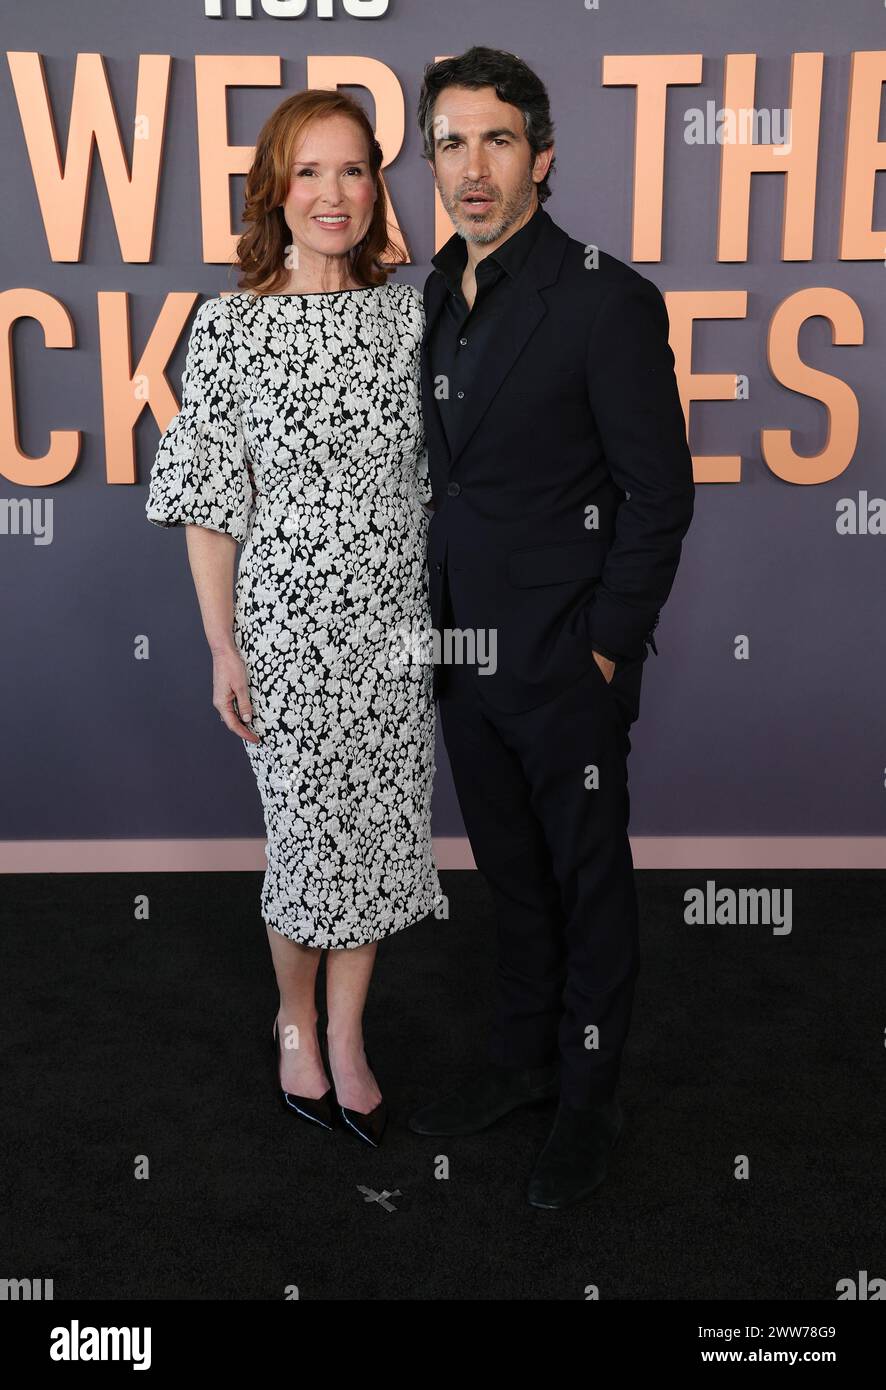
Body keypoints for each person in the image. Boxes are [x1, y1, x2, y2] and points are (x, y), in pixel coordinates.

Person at [408, 47, 695, 1207]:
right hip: (459, 655)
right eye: (448, 143)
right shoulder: (433, 291)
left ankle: (587, 1103)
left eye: (495, 141)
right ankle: (520, 1064)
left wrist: (603, 645)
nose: (470, 169)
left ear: (542, 156)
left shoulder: (604, 300)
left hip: (563, 662)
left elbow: (658, 495)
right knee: (512, 881)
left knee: (585, 887)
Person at [145, 89, 442, 1149]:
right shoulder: (230, 327)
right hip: (287, 639)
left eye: (353, 170)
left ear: (376, 185)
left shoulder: (415, 316)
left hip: (398, 637)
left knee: (377, 842)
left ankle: (348, 1037)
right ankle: (294, 1021)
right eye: (309, 172)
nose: (333, 193)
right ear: (275, 187)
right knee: (309, 848)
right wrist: (222, 645)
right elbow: (210, 504)